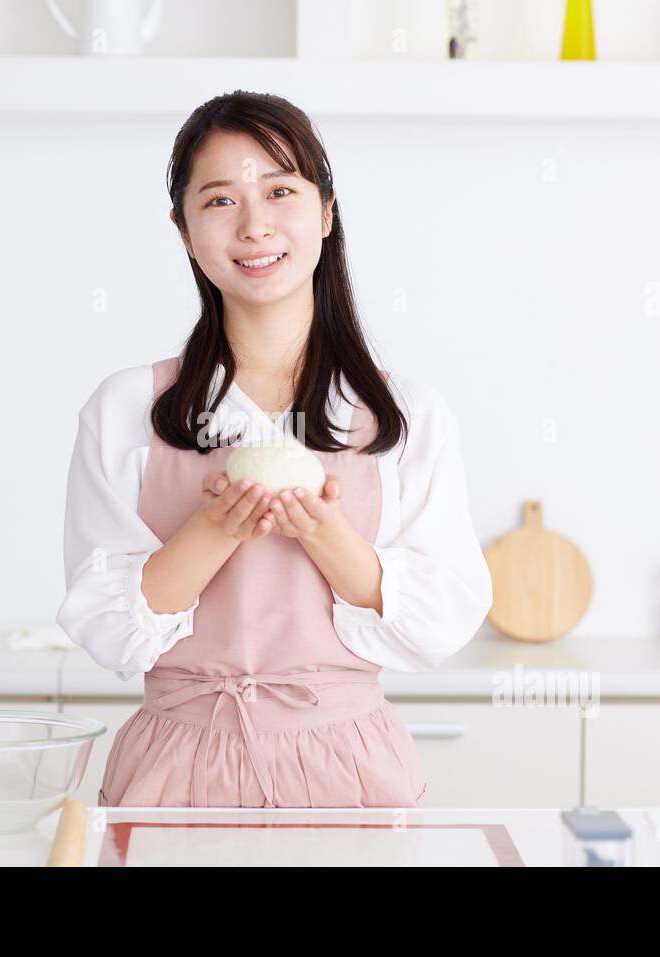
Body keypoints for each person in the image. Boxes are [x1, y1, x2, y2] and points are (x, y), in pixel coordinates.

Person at [55, 90, 492, 808]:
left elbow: (440, 619)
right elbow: (108, 628)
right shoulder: (127, 409)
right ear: (185, 230)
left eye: (280, 191)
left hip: (351, 769)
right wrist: (216, 528)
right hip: (177, 768)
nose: (255, 225)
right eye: (220, 200)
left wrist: (325, 535)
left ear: (325, 211)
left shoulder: (405, 414)